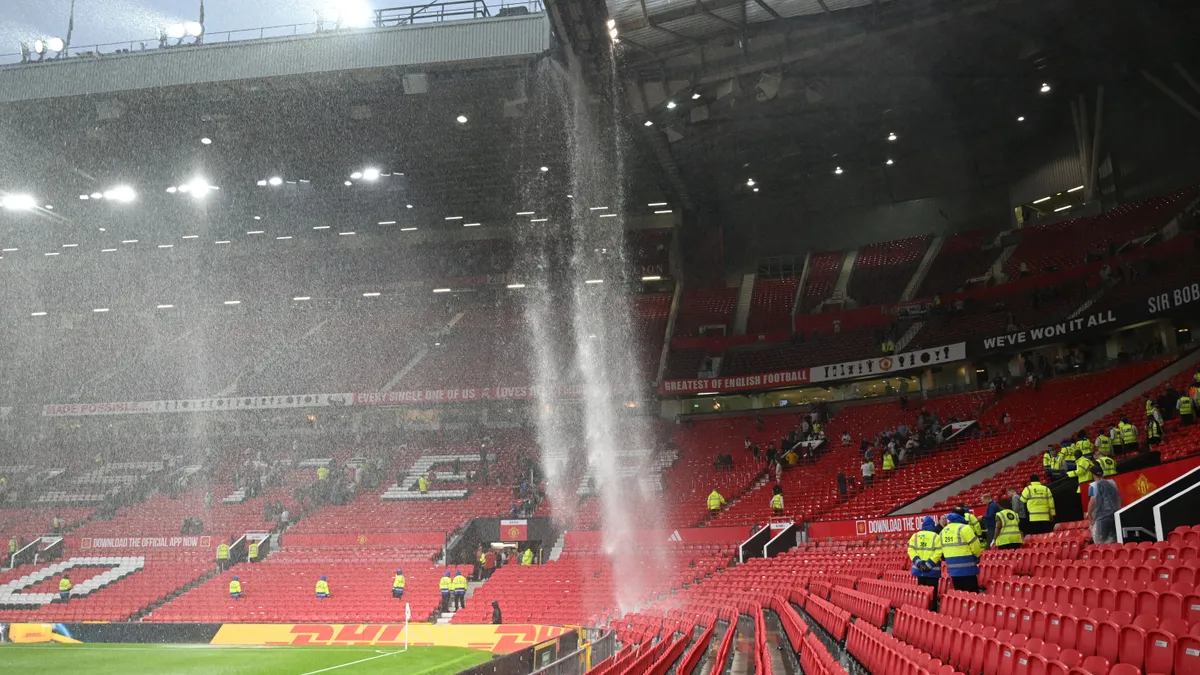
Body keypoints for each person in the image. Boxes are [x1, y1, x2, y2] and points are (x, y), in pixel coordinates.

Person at [938, 511, 983, 592]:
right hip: (967, 568)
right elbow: (975, 546)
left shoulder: (942, 532)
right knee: (972, 594)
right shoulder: (965, 528)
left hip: (953, 569)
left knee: (960, 594)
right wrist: (977, 556)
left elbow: (941, 549)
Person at [907, 516, 943, 604]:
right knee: (932, 596)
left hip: (919, 570)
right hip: (932, 571)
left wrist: (919, 564)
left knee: (922, 596)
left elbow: (911, 550)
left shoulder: (915, 536)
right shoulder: (936, 536)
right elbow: (939, 552)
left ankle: (923, 612)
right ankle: (932, 612)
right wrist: (928, 565)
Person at [1088, 474, 1122, 544]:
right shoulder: (1112, 483)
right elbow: (1118, 498)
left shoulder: (1094, 485)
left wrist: (1089, 515)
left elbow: (1093, 501)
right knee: (1115, 541)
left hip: (1101, 518)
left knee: (1100, 543)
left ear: (1093, 475)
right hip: (1113, 516)